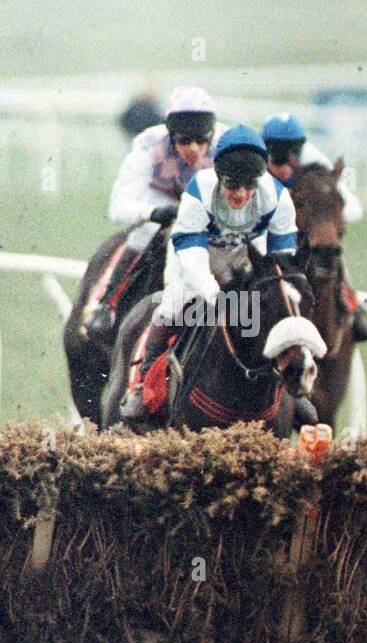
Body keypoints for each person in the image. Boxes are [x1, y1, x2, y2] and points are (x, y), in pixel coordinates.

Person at [120, 126, 298, 422]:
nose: (240, 194)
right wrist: (213, 292)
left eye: (248, 186)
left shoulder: (278, 197)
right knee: (174, 305)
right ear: (218, 175)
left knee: (285, 302)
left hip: (244, 254)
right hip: (192, 255)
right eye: (231, 185)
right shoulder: (199, 190)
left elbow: (282, 255)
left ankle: (295, 387)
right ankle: (140, 386)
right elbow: (191, 254)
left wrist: (270, 284)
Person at [87, 87, 225, 341]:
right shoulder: (150, 144)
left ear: (212, 135)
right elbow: (117, 206)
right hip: (163, 199)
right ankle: (108, 303)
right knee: (143, 233)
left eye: (201, 140)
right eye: (183, 141)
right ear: (170, 135)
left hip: (208, 206)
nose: (193, 149)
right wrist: (152, 212)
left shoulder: (229, 145)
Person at [260, 113, 367, 342]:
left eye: (291, 154)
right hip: (263, 226)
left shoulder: (316, 161)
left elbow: (351, 207)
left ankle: (355, 309)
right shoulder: (255, 161)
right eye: (277, 157)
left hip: (300, 229)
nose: (285, 166)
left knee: (330, 251)